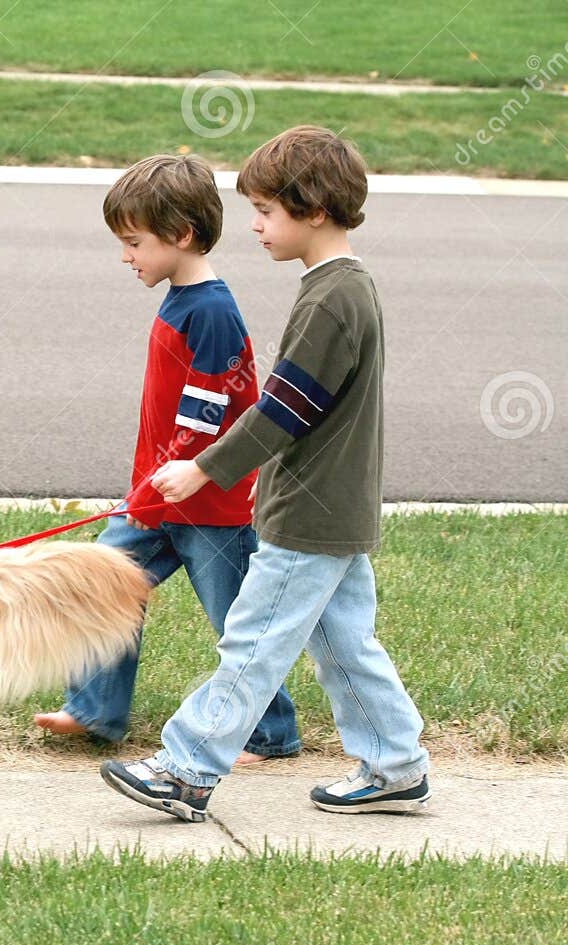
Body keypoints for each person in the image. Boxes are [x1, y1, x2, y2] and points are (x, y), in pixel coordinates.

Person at [100, 126, 432, 822]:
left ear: (313, 211)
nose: (254, 225)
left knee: (253, 641)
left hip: (311, 514)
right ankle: (396, 763)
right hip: (333, 508)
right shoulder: (343, 287)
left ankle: (186, 768)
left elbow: (283, 410)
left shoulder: (332, 299)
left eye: (267, 211)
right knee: (345, 643)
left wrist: (202, 469)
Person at [34, 153, 300, 764]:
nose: (126, 256)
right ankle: (95, 709)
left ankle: (271, 730)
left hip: (208, 502)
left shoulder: (210, 310)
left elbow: (205, 415)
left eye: (134, 243)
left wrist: (171, 477)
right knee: (102, 586)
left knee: (238, 620)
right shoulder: (183, 299)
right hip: (158, 496)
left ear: (180, 236)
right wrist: (149, 489)